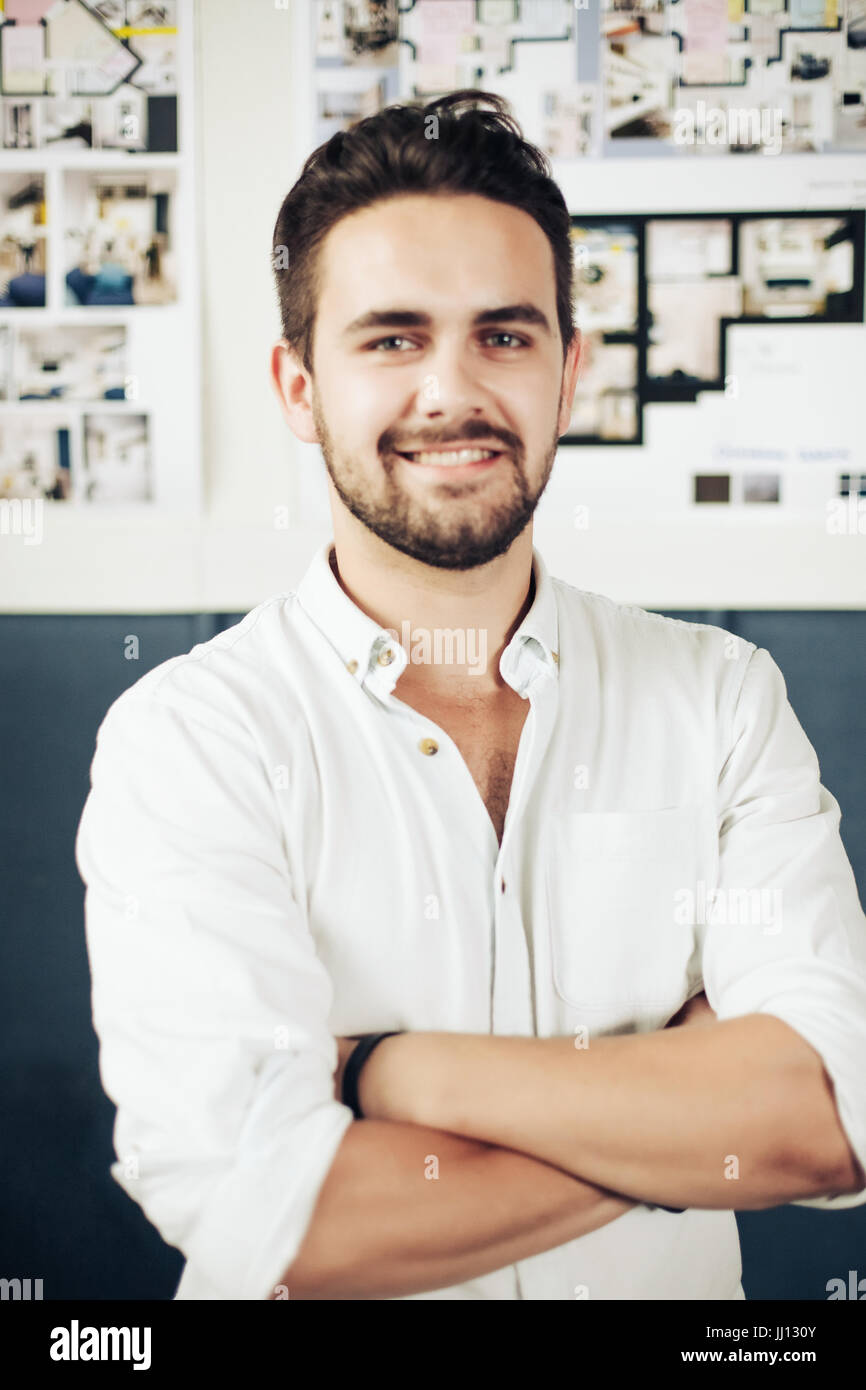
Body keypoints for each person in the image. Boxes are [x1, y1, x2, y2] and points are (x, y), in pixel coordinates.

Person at [76, 91, 866, 1302]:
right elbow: (286, 1225)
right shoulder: (189, 740)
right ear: (297, 389)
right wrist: (682, 1105)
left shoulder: (719, 701)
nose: (451, 392)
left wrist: (393, 1073)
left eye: (504, 335)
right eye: (391, 338)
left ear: (567, 375)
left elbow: (826, 1113)